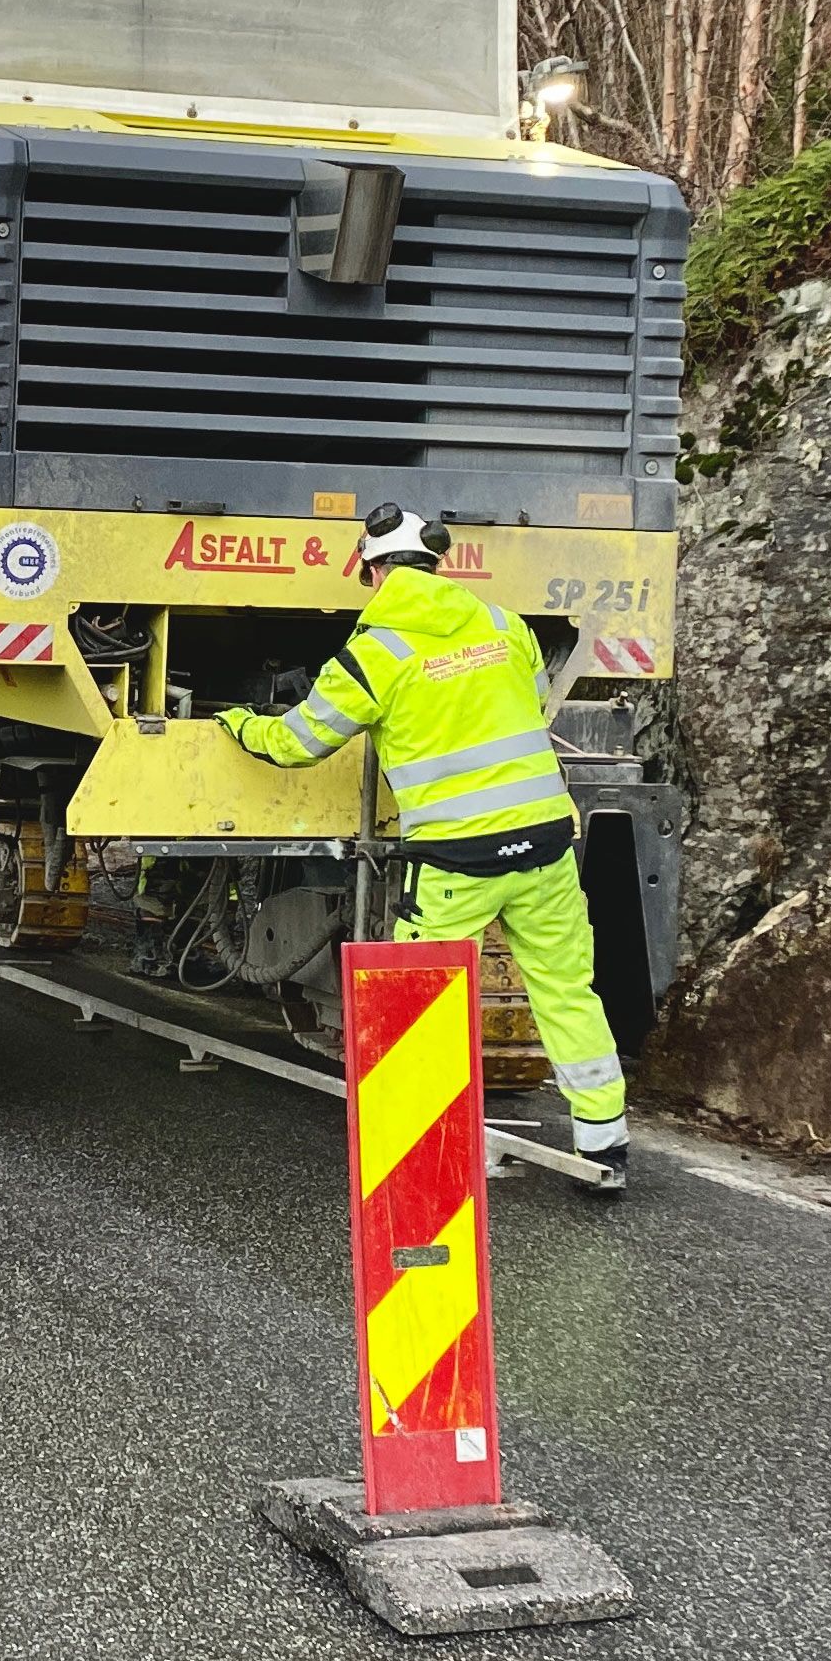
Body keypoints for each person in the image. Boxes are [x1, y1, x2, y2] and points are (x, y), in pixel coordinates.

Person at [217, 504, 628, 1191]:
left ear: (371, 571)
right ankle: (605, 1149)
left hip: (455, 860)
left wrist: (239, 724)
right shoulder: (505, 625)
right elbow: (521, 706)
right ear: (440, 564)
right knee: (566, 990)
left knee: (417, 998)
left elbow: (296, 744)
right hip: (547, 842)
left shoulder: (374, 655)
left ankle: (414, 1154)